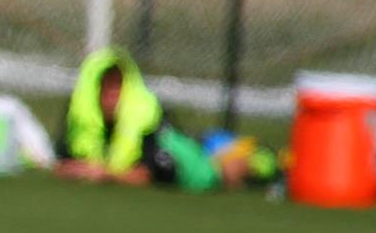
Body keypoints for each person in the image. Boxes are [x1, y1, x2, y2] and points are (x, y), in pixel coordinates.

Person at [54, 48, 273, 191]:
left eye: (117, 85)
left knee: (221, 173)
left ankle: (262, 161)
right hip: (194, 146)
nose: (113, 93)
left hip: (187, 162)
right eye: (106, 86)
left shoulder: (145, 120)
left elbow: (146, 174)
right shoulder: (81, 119)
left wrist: (105, 174)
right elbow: (62, 161)